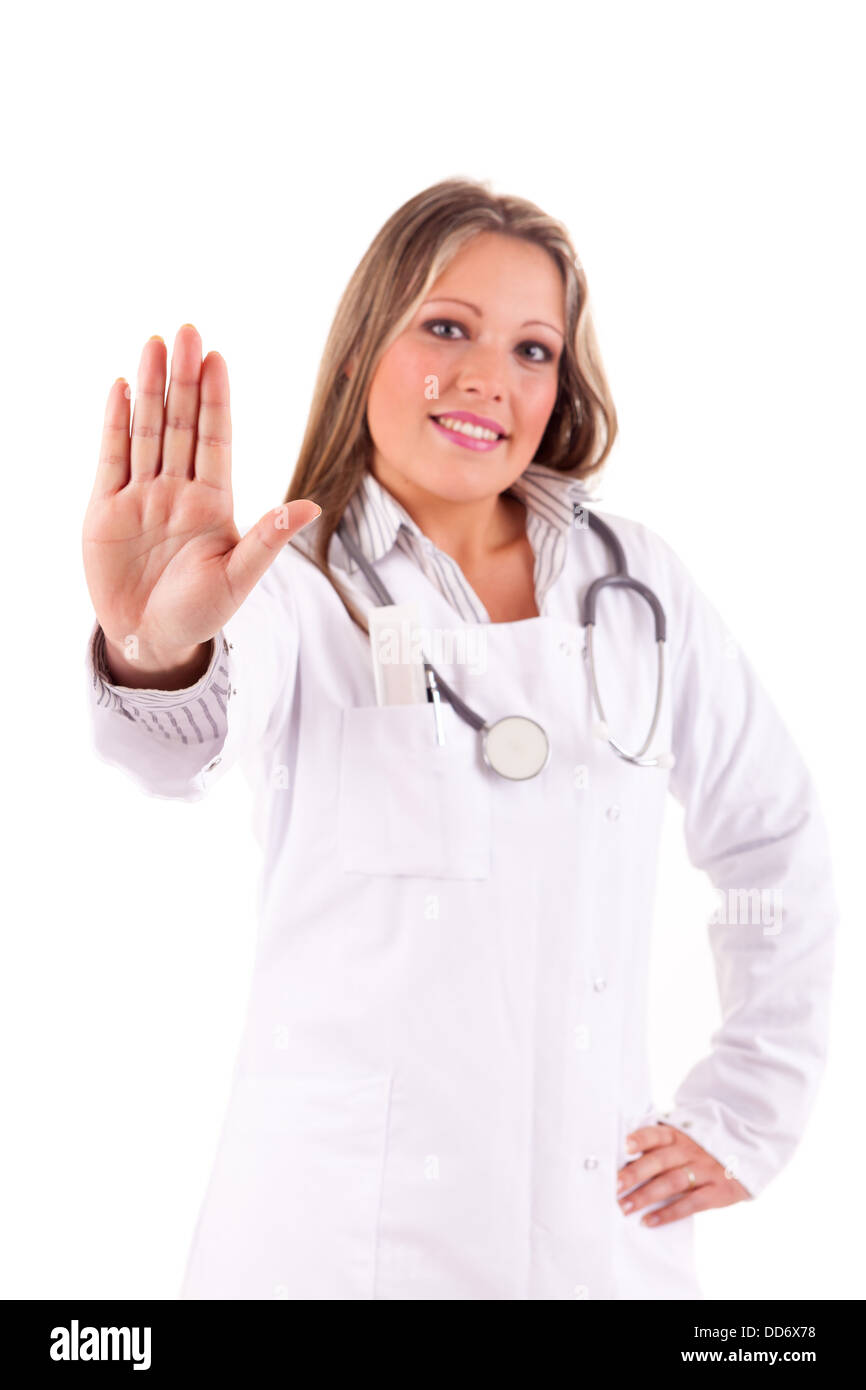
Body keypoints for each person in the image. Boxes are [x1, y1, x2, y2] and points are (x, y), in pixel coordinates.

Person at [82, 179, 838, 1301]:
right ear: (355, 356)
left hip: (597, 1238)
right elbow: (176, 745)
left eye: (533, 349)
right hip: (340, 1244)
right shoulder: (293, 585)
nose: (490, 375)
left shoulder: (632, 588)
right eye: (447, 328)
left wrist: (747, 1108)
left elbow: (772, 833)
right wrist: (152, 644)